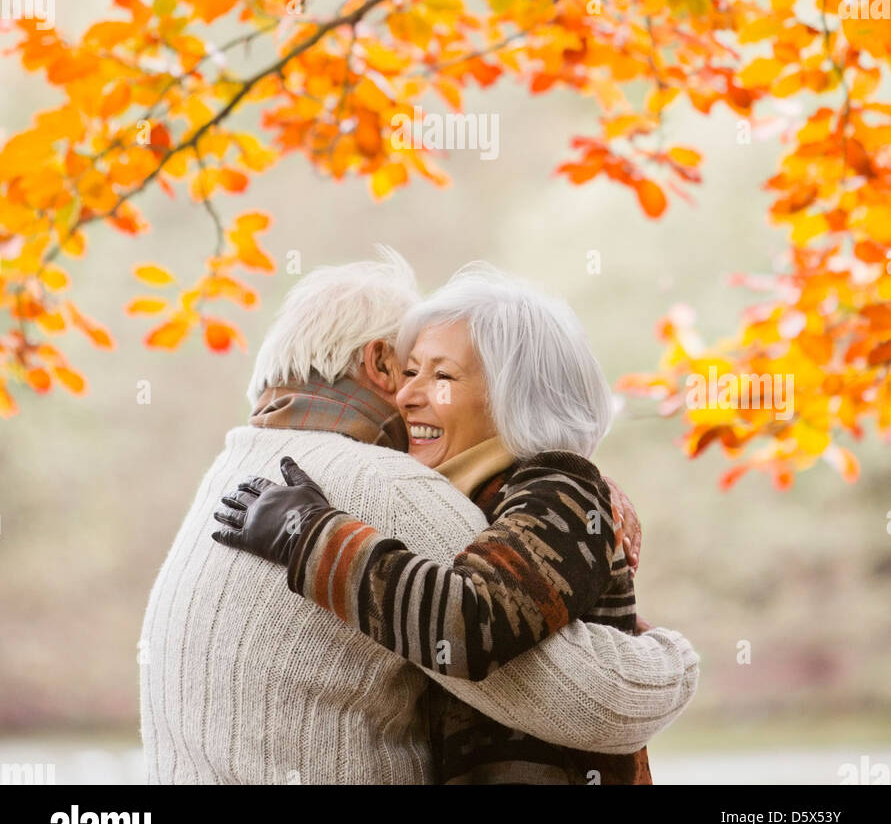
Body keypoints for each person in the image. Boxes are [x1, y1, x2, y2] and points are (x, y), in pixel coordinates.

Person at [141, 248, 699, 784]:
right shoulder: (405, 487)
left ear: (511, 393)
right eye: (408, 370)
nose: (408, 393)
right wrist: (654, 651)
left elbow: (475, 619)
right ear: (380, 362)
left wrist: (311, 537)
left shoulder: (552, 490)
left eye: (440, 376)